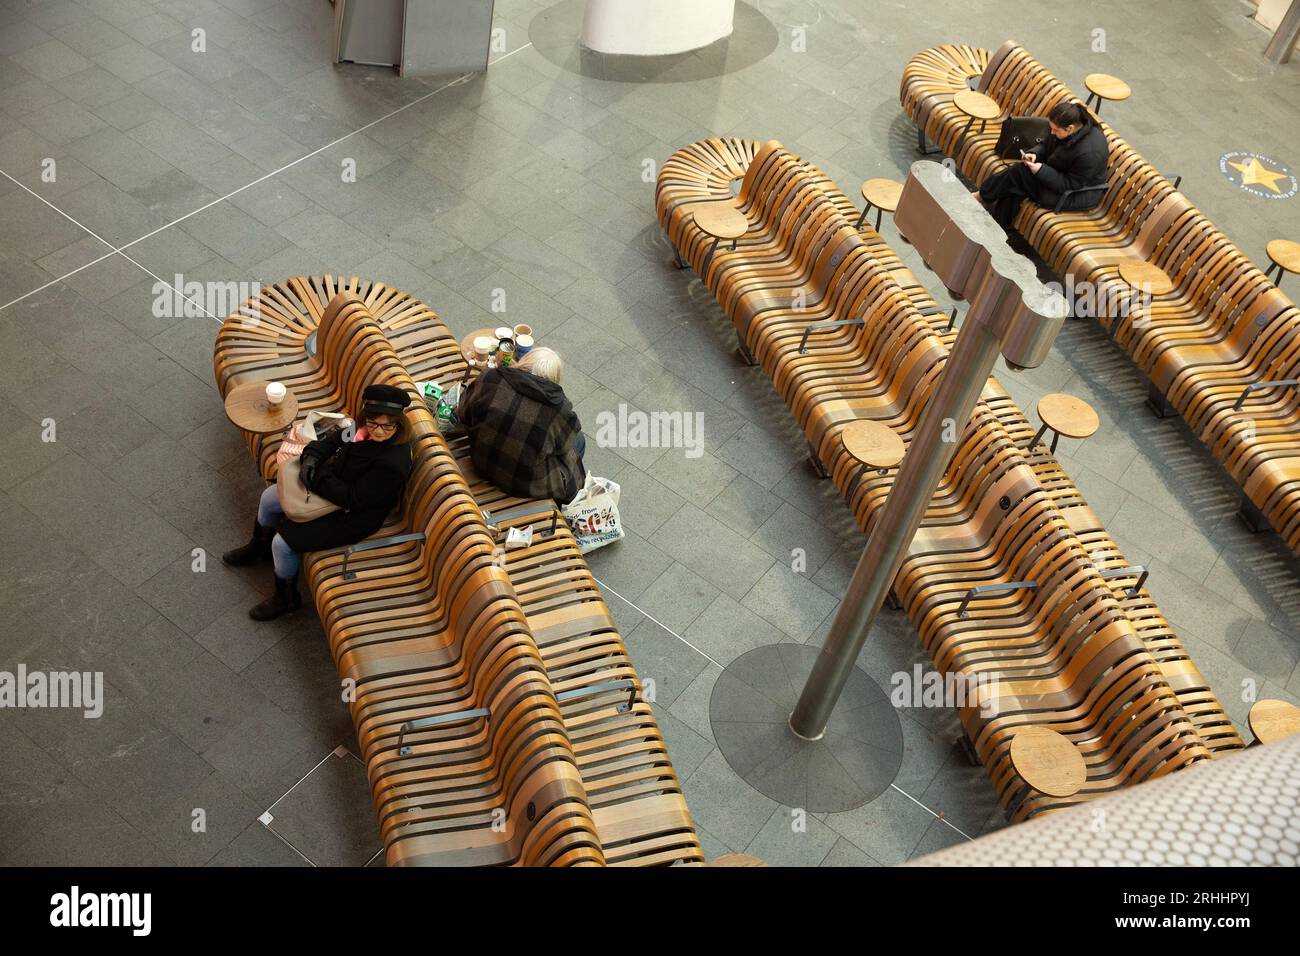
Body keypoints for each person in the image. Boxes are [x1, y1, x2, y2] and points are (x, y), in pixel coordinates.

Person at [223, 383, 415, 621]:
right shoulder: (358, 428)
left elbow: (354, 498)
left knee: (282, 544)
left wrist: (317, 476)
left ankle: (287, 599)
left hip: (353, 516)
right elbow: (329, 443)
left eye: (387, 426)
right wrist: (311, 459)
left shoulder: (392, 463)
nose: (378, 431)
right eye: (373, 423)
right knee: (268, 498)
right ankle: (258, 548)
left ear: (399, 424)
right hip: (331, 489)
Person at [456, 346, 587, 505]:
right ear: (554, 378)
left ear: (523, 363)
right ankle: (565, 504)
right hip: (521, 483)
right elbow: (563, 448)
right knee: (578, 441)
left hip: (481, 462)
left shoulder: (490, 378)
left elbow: (463, 412)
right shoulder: (559, 410)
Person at [974, 101, 1109, 232]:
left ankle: (982, 197)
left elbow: (1070, 184)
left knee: (1019, 174)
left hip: (1073, 195)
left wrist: (1041, 170)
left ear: (1070, 128)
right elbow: (1046, 144)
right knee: (1017, 183)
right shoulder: (1068, 130)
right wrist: (1034, 153)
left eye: (1055, 130)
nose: (1052, 133)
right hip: (1057, 175)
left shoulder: (1089, 153)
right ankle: (997, 225)